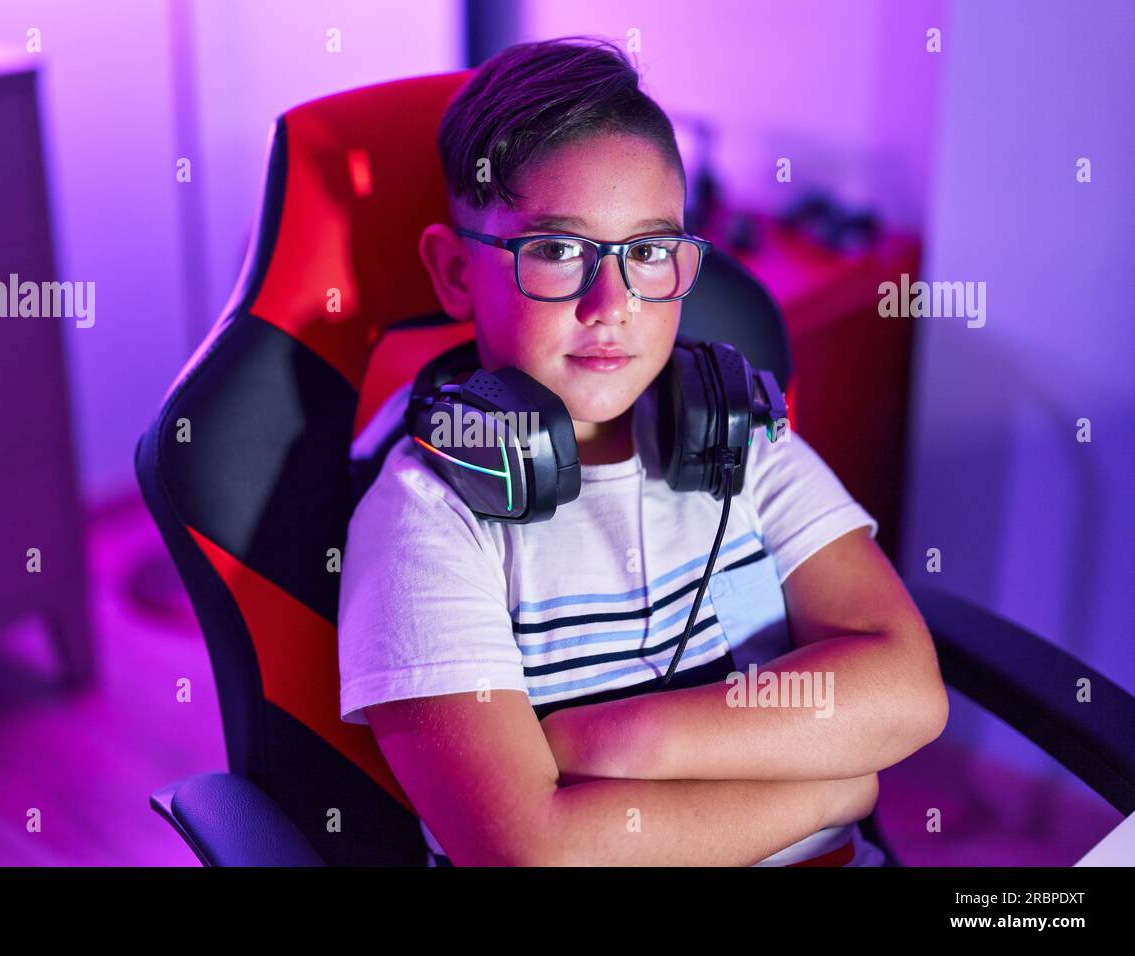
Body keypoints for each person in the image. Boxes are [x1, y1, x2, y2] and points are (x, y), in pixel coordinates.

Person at [337, 36, 948, 866]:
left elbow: (907, 696)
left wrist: (616, 742)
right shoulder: (426, 520)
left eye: (649, 251)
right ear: (454, 272)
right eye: (554, 250)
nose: (611, 304)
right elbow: (532, 852)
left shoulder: (746, 444)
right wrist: (835, 788)